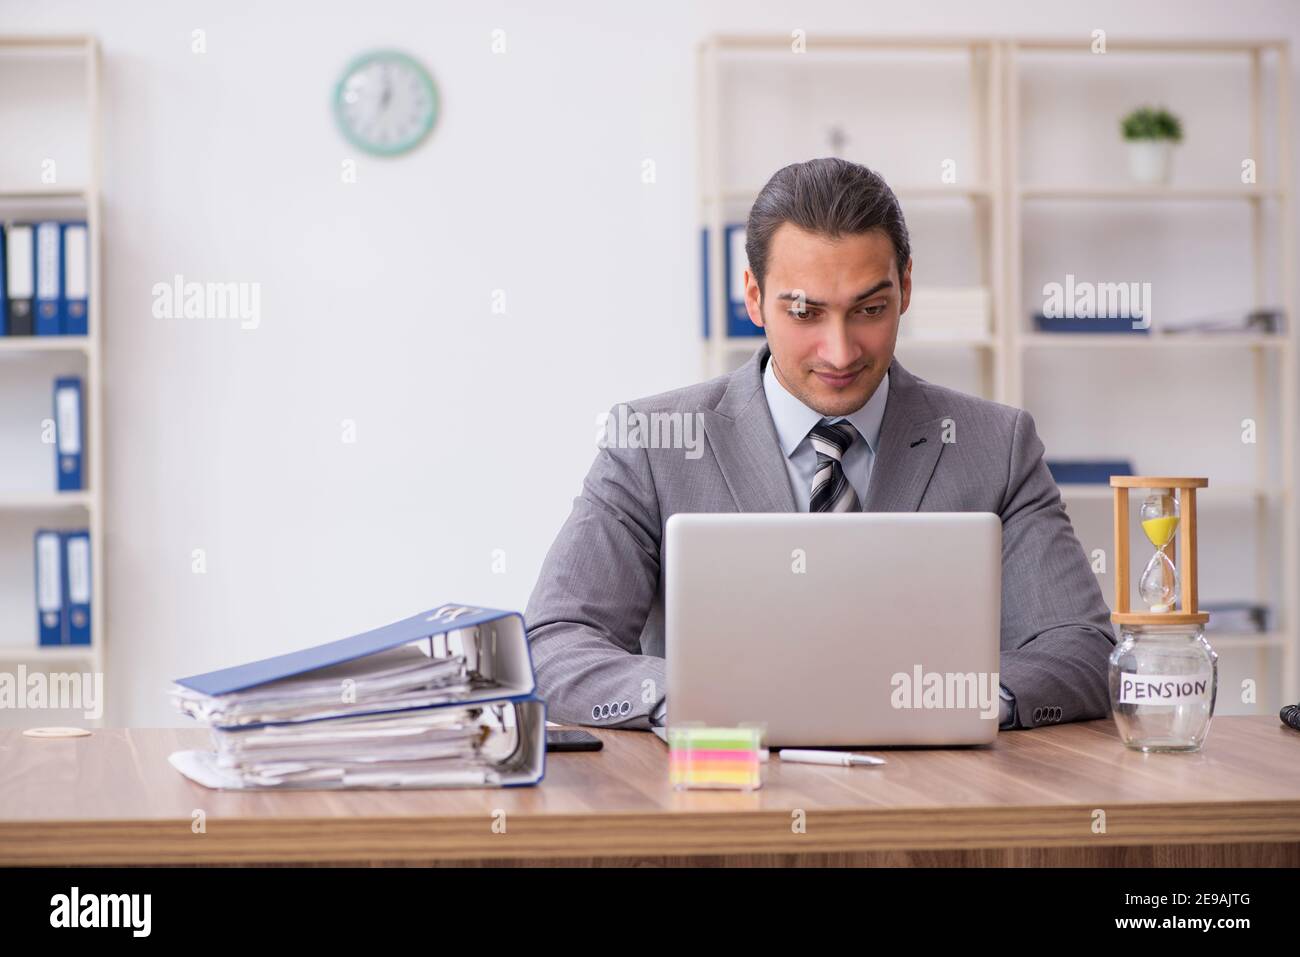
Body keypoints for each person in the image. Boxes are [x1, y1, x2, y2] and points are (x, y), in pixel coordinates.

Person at [525, 157, 1115, 731]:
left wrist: (957, 699)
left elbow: (1083, 651)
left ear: (906, 288)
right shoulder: (651, 444)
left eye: (870, 309)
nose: (841, 352)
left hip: (934, 802)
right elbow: (554, 645)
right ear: (754, 297)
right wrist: (696, 699)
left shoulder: (997, 446)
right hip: (725, 801)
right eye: (805, 312)